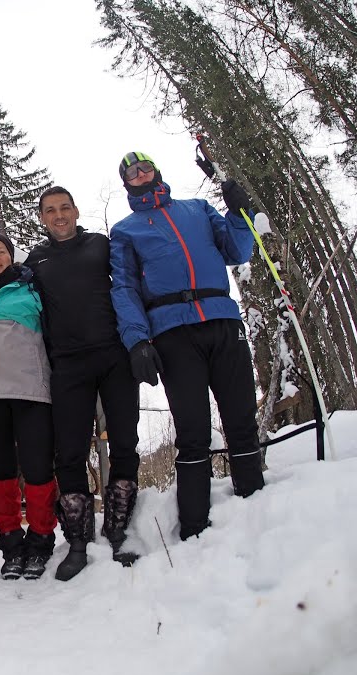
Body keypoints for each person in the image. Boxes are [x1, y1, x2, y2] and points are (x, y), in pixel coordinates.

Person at [109, 151, 266, 542]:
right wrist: (137, 341)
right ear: (126, 182)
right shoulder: (126, 231)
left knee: (241, 419)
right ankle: (194, 528)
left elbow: (237, 250)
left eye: (145, 167)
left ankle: (259, 509)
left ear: (156, 171)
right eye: (132, 172)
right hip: (172, 332)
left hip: (222, 319)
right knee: (193, 429)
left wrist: (237, 212)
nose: (140, 174)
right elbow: (125, 287)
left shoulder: (197, 209)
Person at [26, 187, 142, 581]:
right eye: (50, 211)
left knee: (125, 439)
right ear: (41, 217)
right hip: (68, 365)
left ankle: (119, 528)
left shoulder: (101, 245)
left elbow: (131, 280)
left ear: (75, 210)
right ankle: (77, 539)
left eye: (64, 208)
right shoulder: (35, 260)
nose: (58, 215)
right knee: (69, 452)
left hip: (114, 356)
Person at [0, 232, 57, 580]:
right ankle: (11, 543)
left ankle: (41, 539)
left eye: (1, 252)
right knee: (0, 471)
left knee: (37, 469)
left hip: (30, 391)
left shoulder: (33, 288)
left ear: (11, 256)